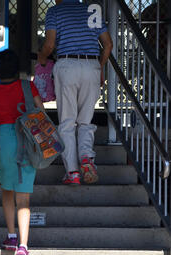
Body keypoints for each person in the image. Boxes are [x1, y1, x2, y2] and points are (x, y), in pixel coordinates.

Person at [38, 0, 113, 185]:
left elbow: (49, 44)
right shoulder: (92, 10)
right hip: (91, 66)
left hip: (67, 66)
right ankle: (86, 158)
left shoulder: (55, 11)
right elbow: (108, 45)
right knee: (85, 120)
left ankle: (73, 172)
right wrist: (99, 67)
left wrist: (41, 60)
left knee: (67, 123)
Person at [0, 49, 45, 255]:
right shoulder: (28, 87)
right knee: (24, 199)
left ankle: (10, 235)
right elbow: (40, 111)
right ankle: (23, 246)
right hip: (27, 139)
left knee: (6, 191)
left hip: (2, 140)